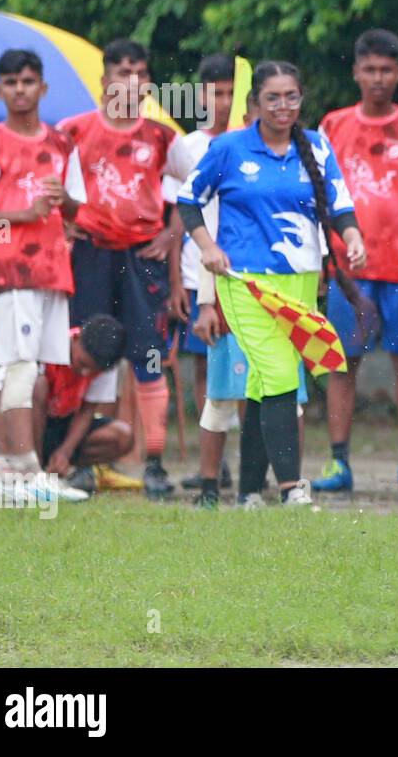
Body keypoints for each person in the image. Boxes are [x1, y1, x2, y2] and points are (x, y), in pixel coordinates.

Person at [178, 60, 367, 508]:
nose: (283, 106)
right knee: (282, 371)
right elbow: (189, 201)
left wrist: (353, 237)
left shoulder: (316, 147)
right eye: (272, 98)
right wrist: (207, 246)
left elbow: (339, 204)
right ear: (256, 103)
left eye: (291, 97)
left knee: (265, 382)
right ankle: (290, 488)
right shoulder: (229, 148)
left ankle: (247, 491)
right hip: (242, 281)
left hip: (301, 281)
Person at [59, 38, 197, 498]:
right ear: (104, 81)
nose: (131, 82)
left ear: (150, 83)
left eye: (140, 73)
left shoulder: (161, 137)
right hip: (91, 255)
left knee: (149, 357)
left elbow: (193, 192)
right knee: (88, 355)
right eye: (122, 73)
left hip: (143, 259)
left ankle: (154, 464)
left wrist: (170, 234)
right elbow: (43, 187)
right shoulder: (72, 131)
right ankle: (81, 460)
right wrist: (64, 225)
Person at [318, 29, 398, 491]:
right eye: (369, 69)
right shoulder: (331, 128)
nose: (377, 78)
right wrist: (321, 262)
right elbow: (318, 197)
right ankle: (338, 464)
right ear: (355, 72)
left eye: (386, 69)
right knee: (340, 362)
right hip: (347, 273)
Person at [0, 49, 90, 504]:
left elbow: (78, 208)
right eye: (11, 82)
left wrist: (62, 202)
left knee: (33, 372)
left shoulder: (61, 144)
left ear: (43, 88)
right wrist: (24, 213)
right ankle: (24, 472)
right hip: (11, 272)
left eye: (28, 81)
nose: (20, 89)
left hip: (55, 270)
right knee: (19, 368)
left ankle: (16, 474)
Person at [169, 54, 236, 495]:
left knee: (249, 372)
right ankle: (216, 464)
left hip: (244, 270)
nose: (224, 100)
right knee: (204, 367)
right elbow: (178, 212)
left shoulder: (252, 142)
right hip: (198, 273)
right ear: (201, 95)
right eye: (216, 91)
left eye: (232, 91)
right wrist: (176, 279)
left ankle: (255, 465)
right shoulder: (186, 146)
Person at [0, 315, 134, 493]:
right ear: (75, 339)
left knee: (121, 436)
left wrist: (65, 452)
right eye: (82, 364)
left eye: (93, 371)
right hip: (0, 428)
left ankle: (55, 470)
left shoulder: (105, 363)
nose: (85, 373)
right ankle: (32, 473)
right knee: (39, 384)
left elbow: (86, 412)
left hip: (53, 425)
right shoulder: (45, 346)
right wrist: (10, 451)